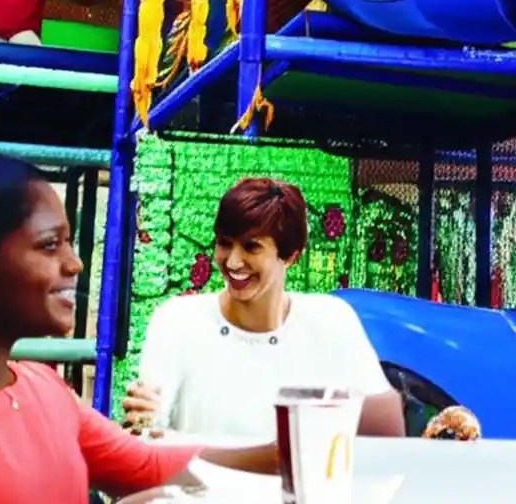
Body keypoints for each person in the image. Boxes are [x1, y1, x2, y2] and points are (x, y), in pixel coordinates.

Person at [0, 154, 279, 503]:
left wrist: (292, 448)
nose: (75, 264)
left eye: (69, 243)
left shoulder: (42, 389)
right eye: (50, 245)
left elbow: (147, 466)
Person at [123, 177, 406, 441]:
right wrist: (144, 422)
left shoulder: (330, 320)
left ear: (290, 256)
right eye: (225, 244)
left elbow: (385, 433)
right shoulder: (178, 320)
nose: (233, 262)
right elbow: (148, 430)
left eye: (251, 247)